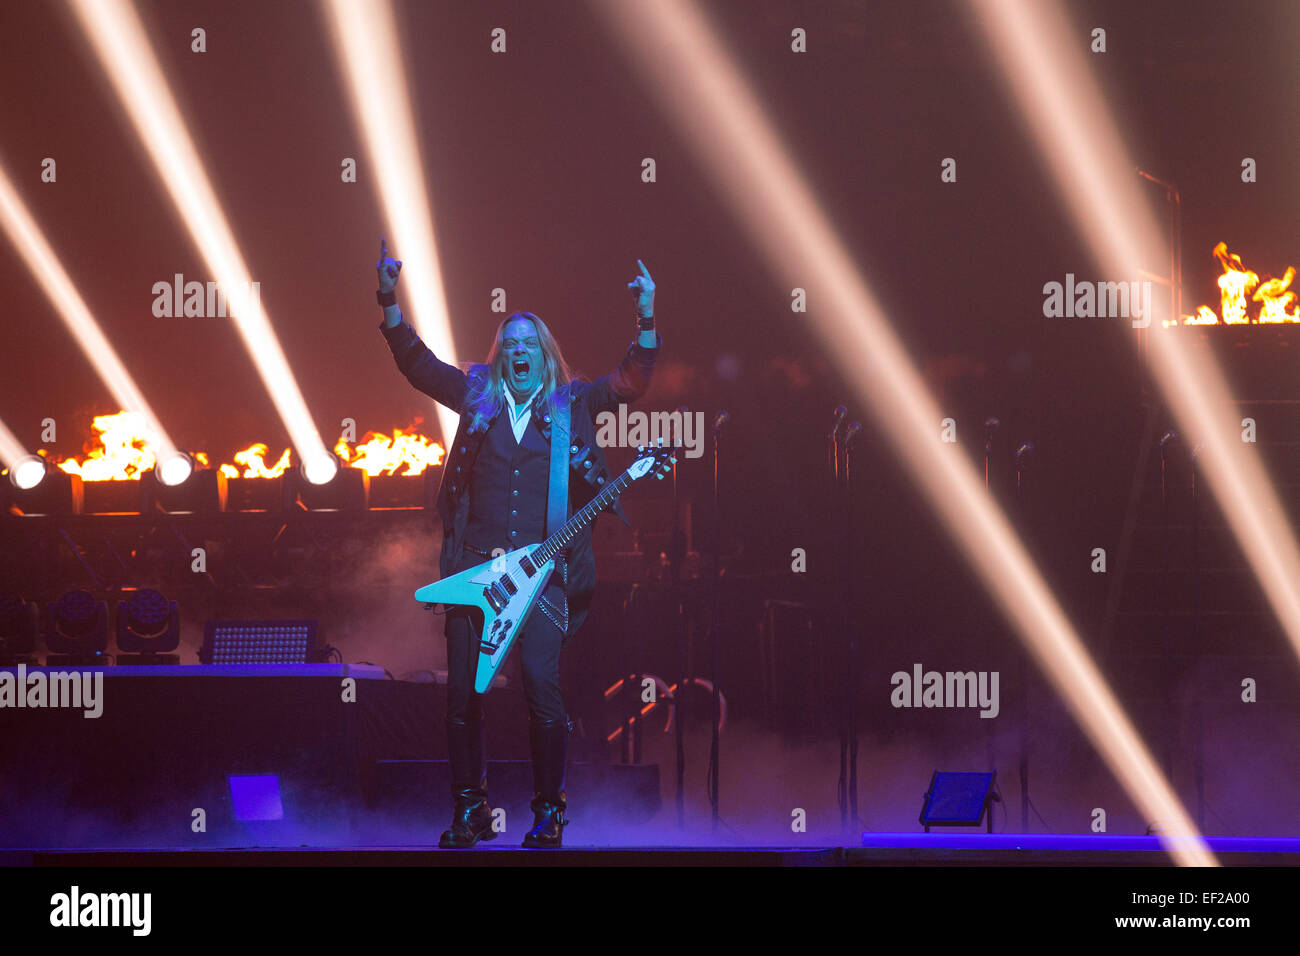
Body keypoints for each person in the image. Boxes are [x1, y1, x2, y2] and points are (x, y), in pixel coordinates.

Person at [374, 240, 661, 847]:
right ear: (502, 357)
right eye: (512, 345)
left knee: (541, 688)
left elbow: (631, 382)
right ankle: (469, 808)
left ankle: (550, 810)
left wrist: (646, 316)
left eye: (530, 344)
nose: (521, 352)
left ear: (546, 356)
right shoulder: (476, 395)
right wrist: (388, 300)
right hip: (474, 572)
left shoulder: (570, 404)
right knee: (461, 696)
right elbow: (419, 366)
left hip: (544, 577)